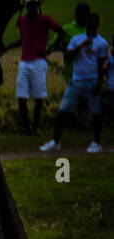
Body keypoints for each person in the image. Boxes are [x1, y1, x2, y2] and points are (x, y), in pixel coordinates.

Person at [41, 12, 109, 153]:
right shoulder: (77, 39)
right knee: (63, 111)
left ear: (97, 25)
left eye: (93, 23)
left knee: (96, 113)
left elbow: (102, 65)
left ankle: (96, 142)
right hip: (76, 81)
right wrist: (81, 46)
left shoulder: (102, 43)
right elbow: (68, 56)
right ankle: (56, 141)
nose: (91, 25)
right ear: (86, 24)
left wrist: (98, 83)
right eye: (88, 22)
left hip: (92, 81)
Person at [4, 1, 66, 133]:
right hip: (24, 62)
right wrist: (7, 48)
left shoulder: (45, 19)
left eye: (33, 5)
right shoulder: (21, 20)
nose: (31, 8)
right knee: (21, 95)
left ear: (37, 6)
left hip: (39, 61)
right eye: (29, 5)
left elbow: (61, 32)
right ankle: (27, 127)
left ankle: (35, 126)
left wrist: (51, 48)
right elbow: (23, 39)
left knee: (38, 96)